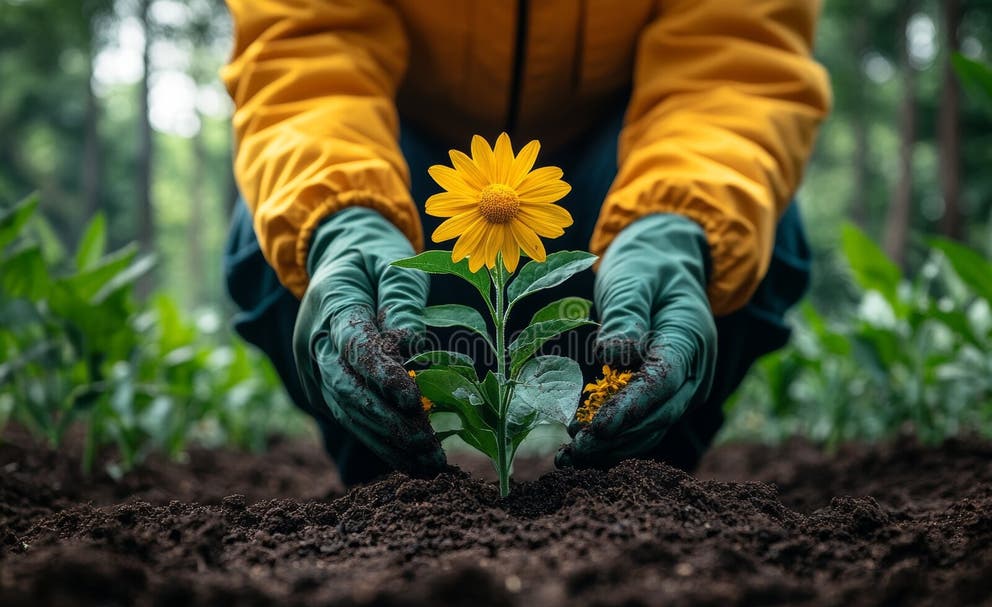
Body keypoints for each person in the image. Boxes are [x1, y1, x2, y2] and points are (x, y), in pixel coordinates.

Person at [221, 0, 831, 486]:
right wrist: (342, 215)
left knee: (750, 227)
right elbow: (303, 53)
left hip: (614, 183)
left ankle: (632, 484)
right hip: (419, 189)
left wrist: (676, 223)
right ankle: (397, 486)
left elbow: (737, 60)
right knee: (279, 221)